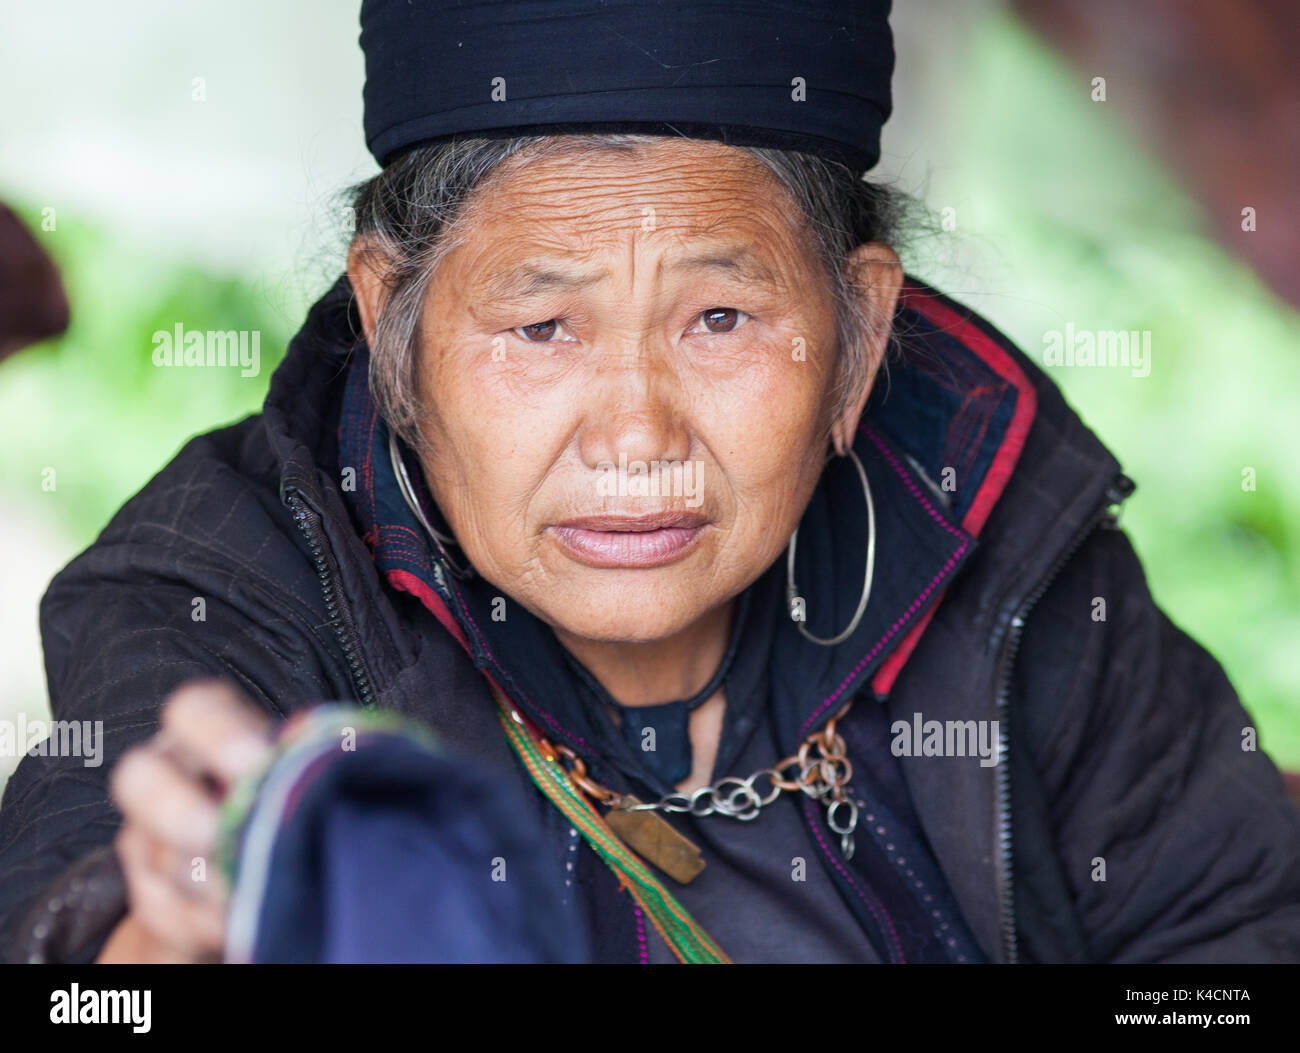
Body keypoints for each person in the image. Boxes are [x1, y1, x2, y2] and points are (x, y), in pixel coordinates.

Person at [2, 0, 1298, 964]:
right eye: (542, 327)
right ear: (392, 322)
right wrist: (171, 937)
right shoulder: (219, 580)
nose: (634, 434)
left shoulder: (1002, 530)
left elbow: (1233, 942)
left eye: (721, 317)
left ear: (854, 341)